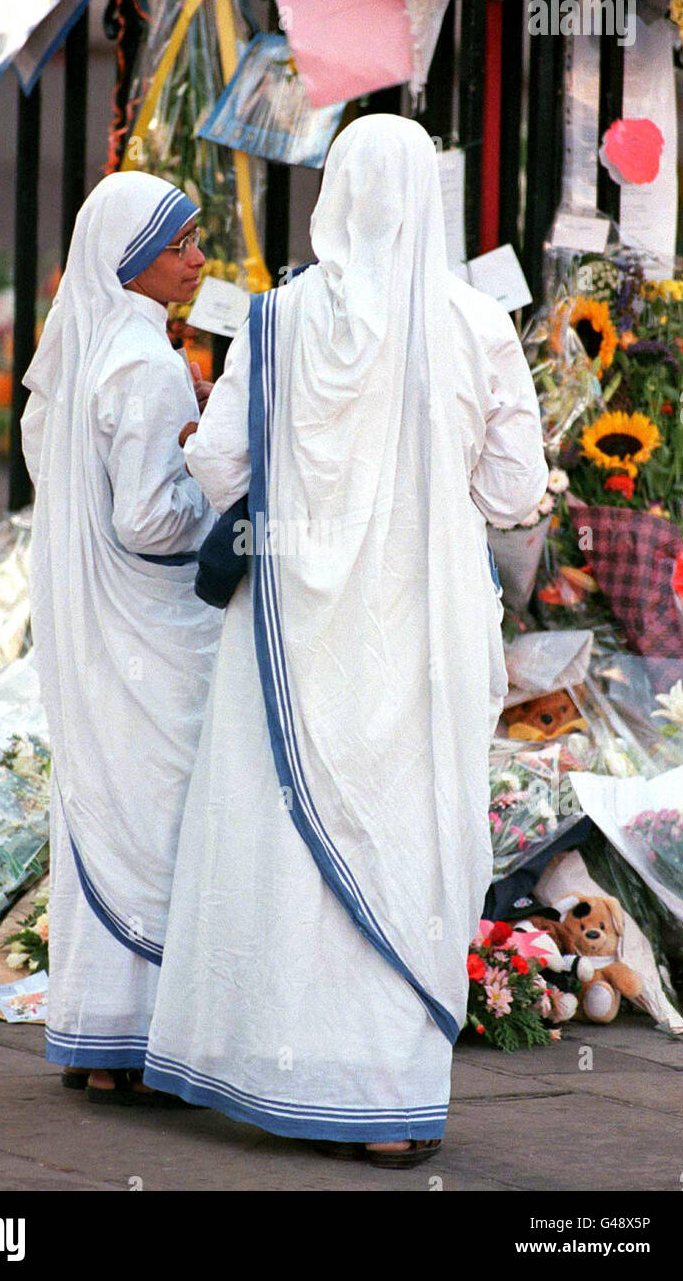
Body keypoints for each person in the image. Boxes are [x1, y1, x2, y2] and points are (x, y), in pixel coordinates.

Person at [141, 115, 548, 1161]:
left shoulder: (275, 322)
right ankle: (389, 1098)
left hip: (291, 618)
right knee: (409, 827)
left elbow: (221, 466)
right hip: (425, 623)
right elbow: (510, 491)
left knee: (284, 838)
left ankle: (283, 1066)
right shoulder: (475, 323)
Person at [21, 171, 221, 1104]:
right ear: (133, 261)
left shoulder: (81, 356)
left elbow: (49, 463)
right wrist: (222, 492)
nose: (198, 257)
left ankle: (99, 1040)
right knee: (160, 812)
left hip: (105, 624)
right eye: (180, 244)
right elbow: (148, 519)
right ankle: (143, 1035)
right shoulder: (145, 364)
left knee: (103, 807)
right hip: (155, 622)